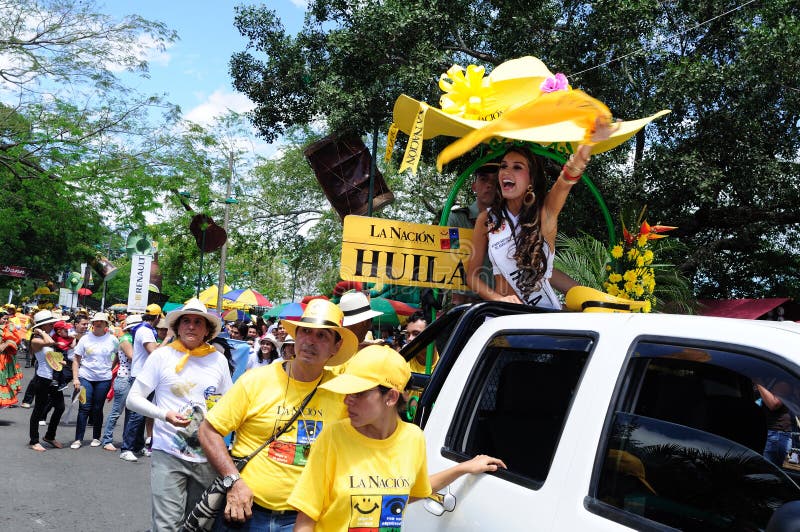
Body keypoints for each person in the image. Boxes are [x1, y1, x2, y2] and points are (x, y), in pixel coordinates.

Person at [288, 345, 506, 531]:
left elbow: (414, 491)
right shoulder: (333, 437)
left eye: (359, 393)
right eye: (347, 392)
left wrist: (464, 468)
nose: (347, 401)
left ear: (391, 397)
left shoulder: (413, 438)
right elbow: (306, 517)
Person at [198, 299, 359, 531]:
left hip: (303, 520)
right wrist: (233, 481)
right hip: (245, 512)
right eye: (305, 332)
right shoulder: (256, 380)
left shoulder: (343, 393)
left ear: (336, 346)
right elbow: (208, 430)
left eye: (322, 335)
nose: (310, 341)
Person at [467, 121, 615, 308]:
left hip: (540, 318)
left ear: (531, 179)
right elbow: (472, 276)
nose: (506, 172)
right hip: (503, 317)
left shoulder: (544, 214)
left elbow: (565, 181)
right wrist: (498, 300)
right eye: (504, 166)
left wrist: (588, 145)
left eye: (517, 167)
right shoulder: (487, 220)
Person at [126, 298, 233, 532]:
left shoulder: (218, 360)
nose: (191, 326)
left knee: (197, 525)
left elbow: (229, 403)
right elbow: (133, 399)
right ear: (177, 327)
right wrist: (164, 414)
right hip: (168, 453)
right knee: (166, 526)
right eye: (186, 321)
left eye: (198, 322)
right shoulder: (161, 357)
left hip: (208, 457)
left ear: (208, 330)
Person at [70, 312, 118, 449]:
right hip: (86, 376)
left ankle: (96, 437)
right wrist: (75, 378)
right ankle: (78, 439)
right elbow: (76, 359)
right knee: (84, 408)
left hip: (103, 378)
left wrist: (111, 368)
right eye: (95, 322)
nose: (98, 324)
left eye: (101, 322)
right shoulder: (85, 339)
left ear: (105, 325)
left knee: (98, 408)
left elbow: (119, 355)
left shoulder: (113, 339)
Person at [120, 303, 161, 462]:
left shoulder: (144, 329)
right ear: (157, 317)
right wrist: (169, 339)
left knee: (142, 413)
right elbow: (154, 352)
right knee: (137, 414)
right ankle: (127, 448)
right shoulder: (145, 331)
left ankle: (136, 445)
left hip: (144, 375)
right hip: (142, 376)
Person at [27, 310, 66, 451]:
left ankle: (50, 436)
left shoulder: (46, 337)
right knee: (38, 409)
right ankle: (34, 440)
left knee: (60, 407)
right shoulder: (36, 340)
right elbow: (50, 342)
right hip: (42, 379)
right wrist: (40, 331)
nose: (53, 325)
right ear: (44, 326)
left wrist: (60, 362)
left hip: (53, 379)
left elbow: (50, 355)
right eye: (50, 324)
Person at [100, 314, 138, 451]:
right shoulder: (126, 339)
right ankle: (107, 439)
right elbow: (132, 357)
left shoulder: (131, 339)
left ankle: (126, 440)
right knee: (117, 411)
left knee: (130, 413)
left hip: (130, 378)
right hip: (124, 378)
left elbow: (116, 357)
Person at [757, 382, 795, 467]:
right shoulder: (770, 381)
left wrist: (758, 382)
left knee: (767, 472)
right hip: (769, 434)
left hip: (775, 435)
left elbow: (774, 404)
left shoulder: (783, 382)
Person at [0, 308, 24, 407]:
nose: (5, 321)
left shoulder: (9, 328)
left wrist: (8, 343)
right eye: (3, 319)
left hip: (6, 359)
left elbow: (16, 340)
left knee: (5, 380)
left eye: (6, 319)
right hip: (2, 358)